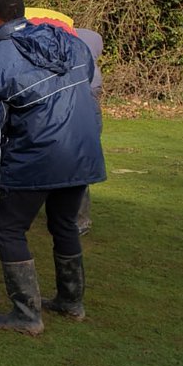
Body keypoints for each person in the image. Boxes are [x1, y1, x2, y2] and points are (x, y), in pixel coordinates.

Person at [0, 0, 106, 336]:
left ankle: (27, 315)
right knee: (65, 224)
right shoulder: (70, 42)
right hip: (80, 153)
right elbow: (87, 87)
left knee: (9, 228)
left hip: (37, 154)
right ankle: (71, 302)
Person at [75, 28, 105, 236]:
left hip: (79, 109)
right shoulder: (93, 38)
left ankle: (79, 219)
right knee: (79, 165)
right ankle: (75, 217)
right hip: (89, 109)